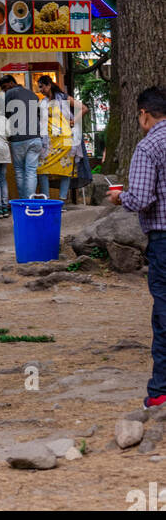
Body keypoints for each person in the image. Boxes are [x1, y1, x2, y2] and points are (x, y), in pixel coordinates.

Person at [109, 87, 166, 409]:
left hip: (163, 240)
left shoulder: (149, 146)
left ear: (144, 114)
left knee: (164, 316)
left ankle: (160, 392)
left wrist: (121, 198)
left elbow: (142, 198)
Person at [0, 73, 42, 200]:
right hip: (35, 138)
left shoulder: (10, 94)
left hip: (18, 139)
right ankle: (30, 200)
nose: (4, 91)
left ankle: (23, 201)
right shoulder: (33, 95)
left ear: (11, 83)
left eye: (5, 87)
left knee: (20, 172)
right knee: (31, 171)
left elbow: (2, 116)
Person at [36, 76, 76, 201]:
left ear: (48, 85)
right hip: (49, 140)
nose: (40, 90)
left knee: (66, 169)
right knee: (41, 169)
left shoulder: (63, 97)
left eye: (41, 87)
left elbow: (84, 108)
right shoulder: (42, 102)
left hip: (65, 139)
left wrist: (73, 121)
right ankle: (47, 199)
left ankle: (62, 200)